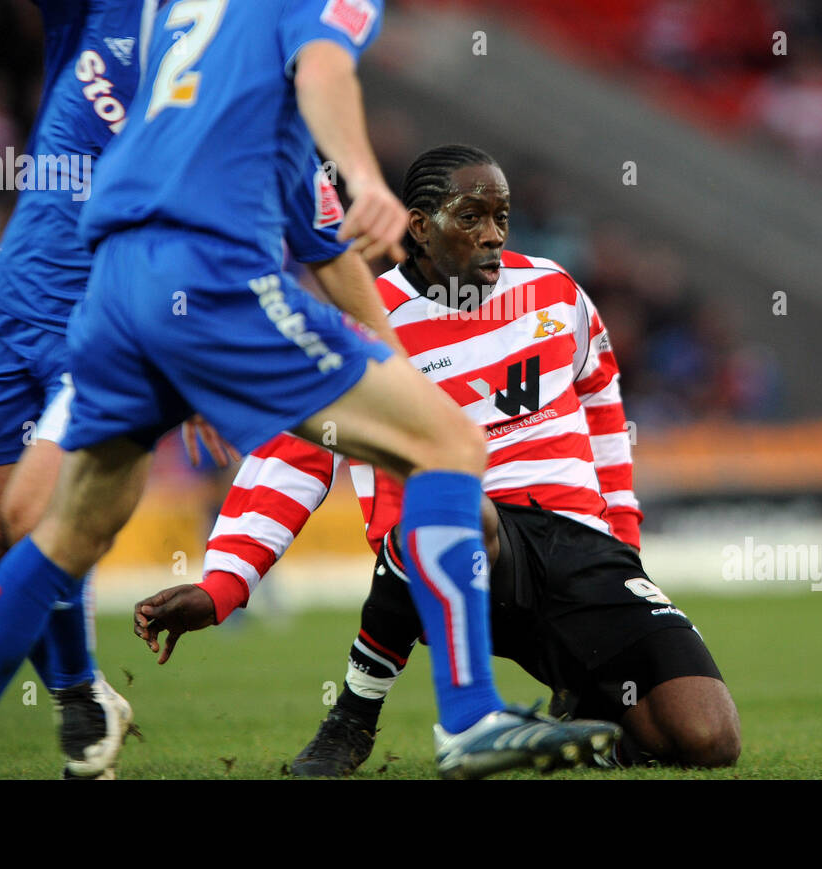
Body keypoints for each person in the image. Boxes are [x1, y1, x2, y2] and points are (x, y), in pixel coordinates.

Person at [0, 0, 617, 783]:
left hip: (112, 286)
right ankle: (470, 716)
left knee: (59, 533)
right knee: (450, 446)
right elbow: (325, 76)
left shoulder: (185, 16)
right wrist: (365, 176)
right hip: (210, 276)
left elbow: (297, 223)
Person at [133, 145, 742, 775]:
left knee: (707, 740)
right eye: (471, 217)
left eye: (500, 217)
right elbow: (292, 458)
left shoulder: (554, 292)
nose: (492, 236)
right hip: (464, 557)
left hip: (584, 549)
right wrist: (224, 584)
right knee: (455, 497)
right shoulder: (369, 323)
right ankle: (352, 718)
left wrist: (623, 539)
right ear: (420, 227)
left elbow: (605, 410)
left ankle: (575, 733)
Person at [0, 0, 265, 777]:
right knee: (0, 541)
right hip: (8, 303)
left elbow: (234, 238)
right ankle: (84, 695)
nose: (215, 0)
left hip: (105, 326)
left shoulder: (241, 96)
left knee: (40, 521)